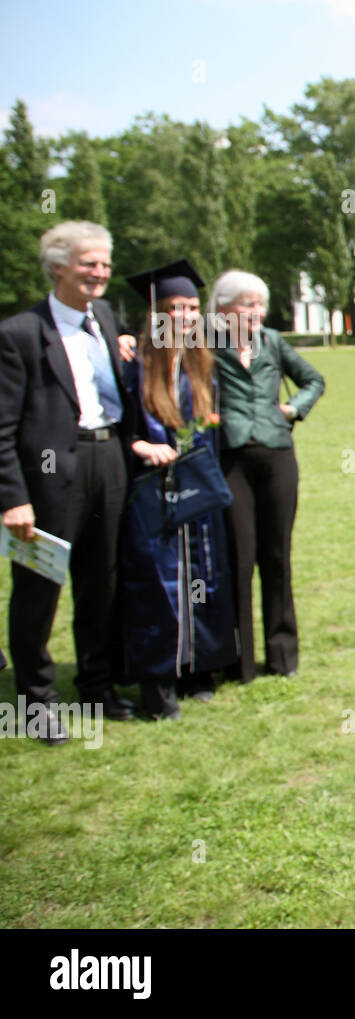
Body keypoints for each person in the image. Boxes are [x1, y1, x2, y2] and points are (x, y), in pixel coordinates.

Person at [0, 220, 137, 743]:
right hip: (50, 475)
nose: (99, 273)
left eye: (104, 263)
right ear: (58, 267)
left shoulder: (104, 316)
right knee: (39, 591)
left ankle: (97, 687)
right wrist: (12, 498)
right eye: (88, 263)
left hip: (109, 460)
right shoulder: (19, 334)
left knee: (101, 583)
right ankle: (35, 705)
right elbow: (3, 427)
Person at [119, 259, 237, 720]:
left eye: (192, 307)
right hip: (150, 492)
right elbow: (116, 428)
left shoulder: (201, 363)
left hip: (197, 491)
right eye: (176, 307)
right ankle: (158, 681)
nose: (186, 315)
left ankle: (198, 668)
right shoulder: (133, 364)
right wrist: (141, 445)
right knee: (156, 583)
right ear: (158, 312)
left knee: (203, 576)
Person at [210, 271, 324, 683]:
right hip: (230, 459)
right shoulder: (203, 343)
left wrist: (292, 409)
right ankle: (237, 662)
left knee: (277, 557)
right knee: (238, 560)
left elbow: (314, 380)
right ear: (222, 308)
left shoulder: (272, 342)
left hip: (277, 456)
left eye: (259, 304)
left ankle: (282, 656)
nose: (255, 312)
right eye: (246, 304)